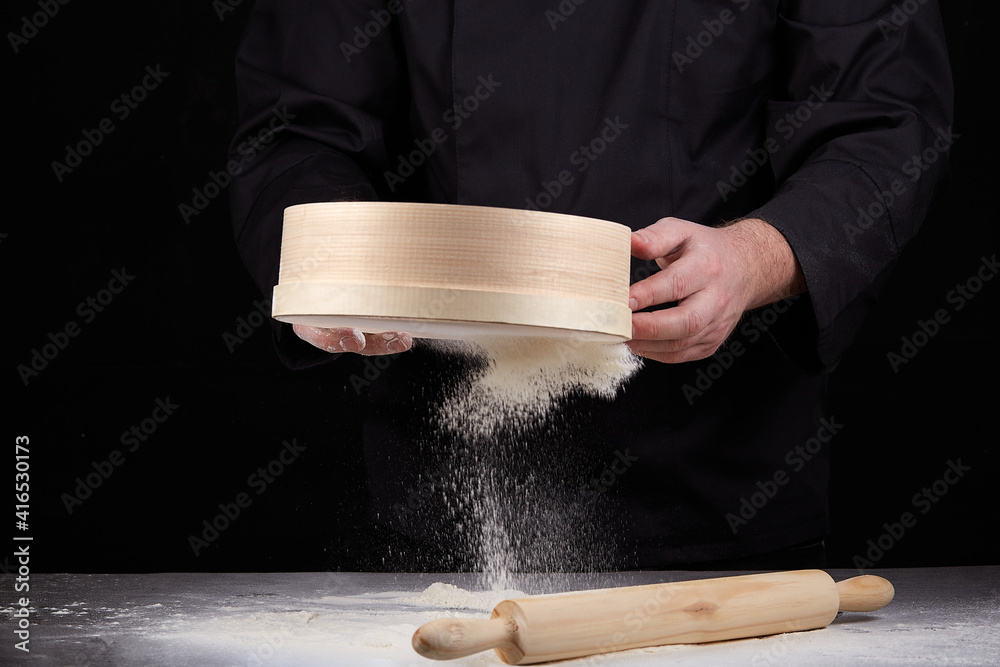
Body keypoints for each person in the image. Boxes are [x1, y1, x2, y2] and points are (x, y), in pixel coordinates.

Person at [228, 1, 953, 570]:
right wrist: (325, 269)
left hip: (723, 492)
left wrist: (758, 255)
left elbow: (887, 118)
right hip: (445, 483)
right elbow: (297, 129)